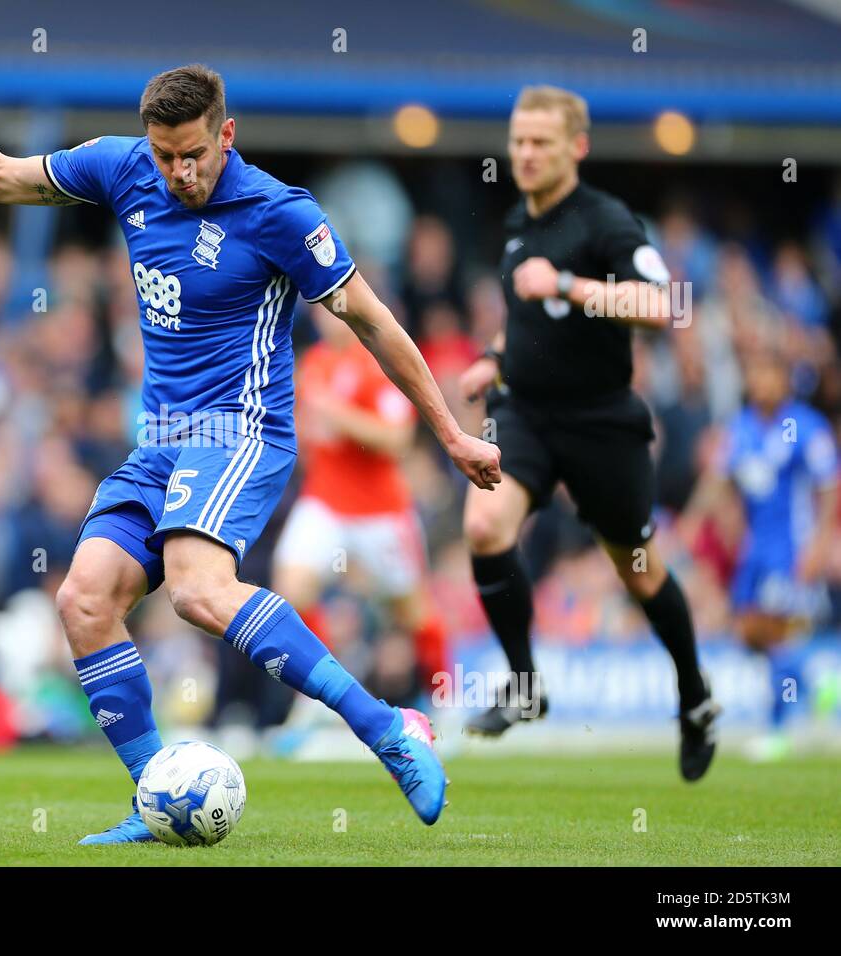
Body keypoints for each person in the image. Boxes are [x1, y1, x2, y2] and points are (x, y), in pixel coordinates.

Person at [0, 57, 500, 841]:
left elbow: (373, 321)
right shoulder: (122, 168)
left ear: (226, 135)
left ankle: (390, 729)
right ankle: (154, 794)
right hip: (160, 443)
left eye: (193, 154)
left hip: (241, 431)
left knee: (197, 590)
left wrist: (450, 431)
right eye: (165, 155)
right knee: (84, 600)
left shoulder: (278, 213)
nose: (179, 172)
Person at [456, 85, 719, 781]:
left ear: (577, 147)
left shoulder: (606, 221)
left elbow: (663, 305)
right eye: (518, 140)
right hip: (525, 413)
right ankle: (524, 684)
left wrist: (571, 285)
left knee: (638, 570)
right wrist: (492, 356)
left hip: (601, 422)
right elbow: (528, 320)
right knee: (484, 525)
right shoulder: (519, 222)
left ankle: (694, 695)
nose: (525, 153)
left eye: (541, 142)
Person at [272, 304, 448, 707]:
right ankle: (322, 696)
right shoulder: (313, 363)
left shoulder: (376, 362)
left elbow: (397, 439)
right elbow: (305, 431)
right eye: (319, 310)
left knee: (413, 612)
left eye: (331, 309)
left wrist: (339, 416)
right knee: (290, 594)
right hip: (324, 501)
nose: (325, 317)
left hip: (380, 511)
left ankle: (443, 698)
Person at [684, 345, 838, 760]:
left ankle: (778, 730)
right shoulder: (742, 429)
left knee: (774, 632)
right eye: (755, 374)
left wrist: (820, 545)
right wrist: (692, 522)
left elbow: (829, 489)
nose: (761, 382)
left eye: (769, 374)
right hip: (755, 551)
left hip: (791, 548)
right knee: (747, 632)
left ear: (784, 380)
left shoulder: (806, 427)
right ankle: (818, 682)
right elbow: (716, 481)